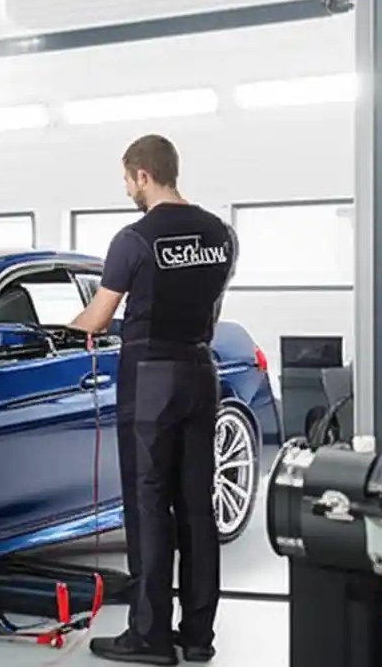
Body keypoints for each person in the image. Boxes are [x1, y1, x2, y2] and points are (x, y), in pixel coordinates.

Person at [70, 135, 237, 665]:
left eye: (126, 180)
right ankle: (198, 636)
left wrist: (61, 328)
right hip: (200, 370)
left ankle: (149, 636)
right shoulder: (222, 235)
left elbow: (97, 318)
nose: (126, 189)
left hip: (150, 378)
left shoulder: (134, 238)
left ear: (143, 175)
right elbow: (205, 304)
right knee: (196, 505)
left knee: (148, 506)